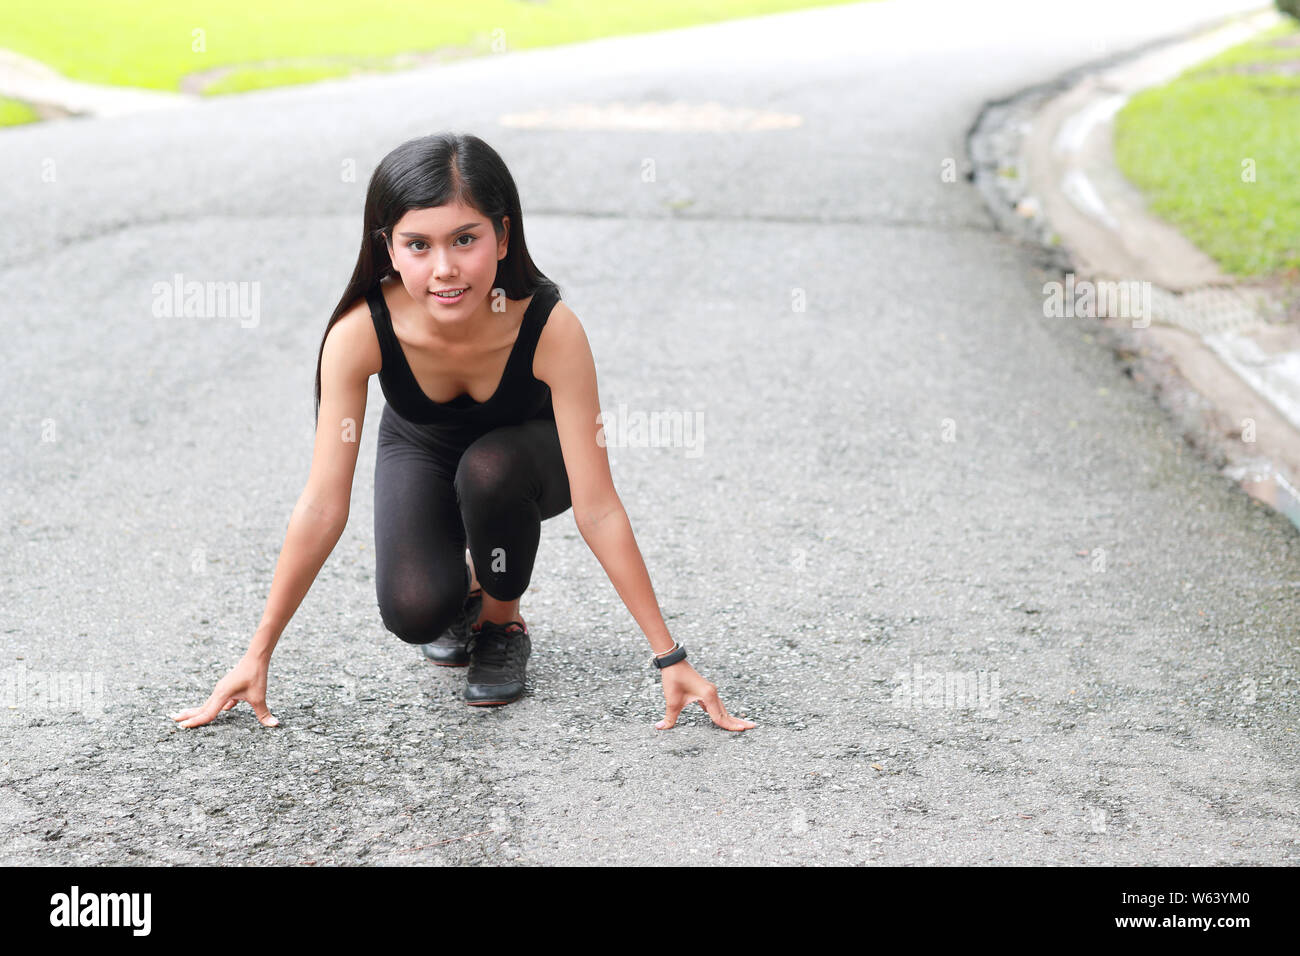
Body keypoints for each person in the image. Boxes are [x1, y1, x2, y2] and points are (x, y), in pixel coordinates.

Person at [169, 132, 754, 732]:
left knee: (490, 468)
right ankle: (468, 591)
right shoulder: (359, 331)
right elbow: (321, 504)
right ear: (388, 248)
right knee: (417, 612)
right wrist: (257, 653)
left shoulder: (550, 326)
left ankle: (502, 621)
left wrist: (669, 656)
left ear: (502, 236)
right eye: (417, 244)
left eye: (465, 239)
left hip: (528, 457)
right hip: (421, 444)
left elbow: (599, 508)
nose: (444, 269)